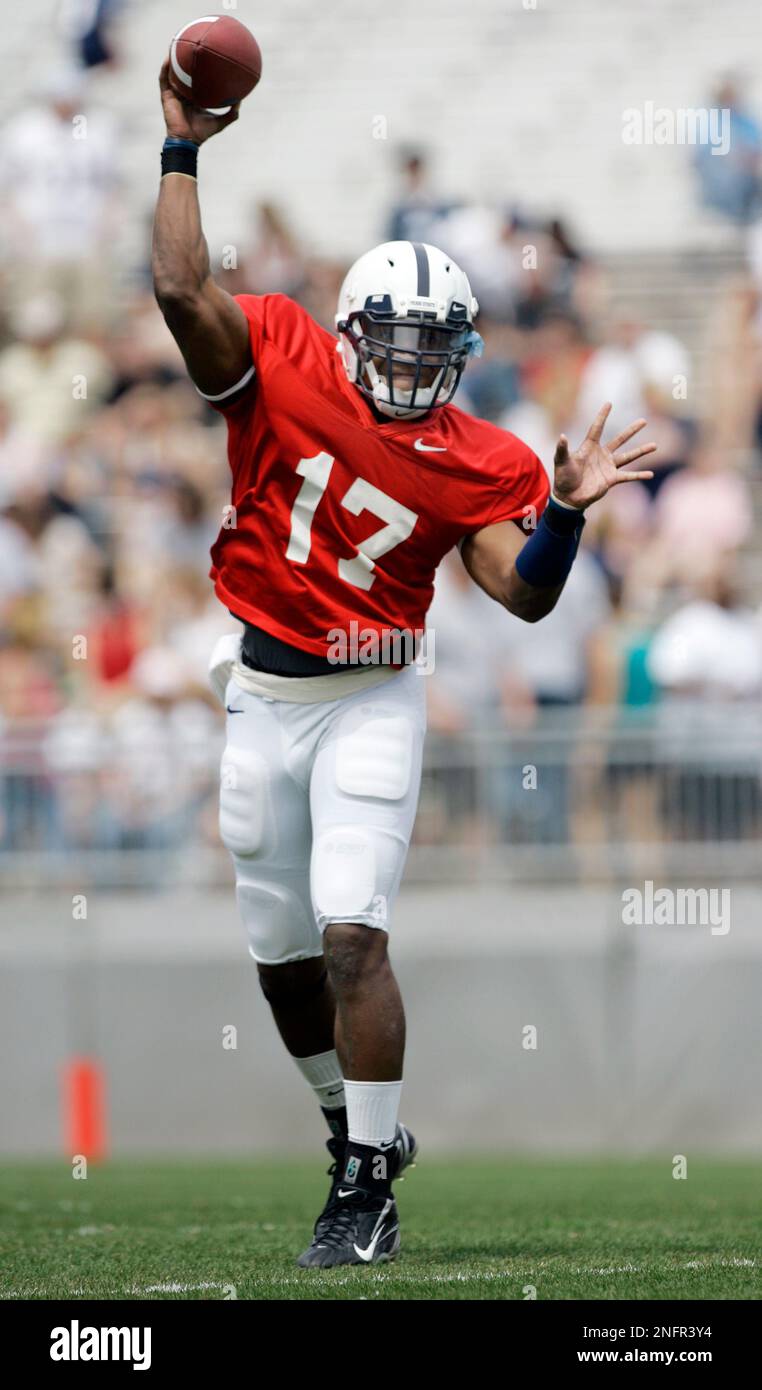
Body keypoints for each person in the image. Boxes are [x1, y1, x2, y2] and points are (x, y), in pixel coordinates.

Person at [151, 63, 657, 1269]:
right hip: (262, 693)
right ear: (351, 332)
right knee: (281, 966)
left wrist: (567, 517)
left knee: (350, 940)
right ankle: (350, 1132)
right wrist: (182, 147)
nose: (413, 361)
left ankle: (368, 1185)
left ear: (462, 350)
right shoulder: (278, 354)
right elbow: (180, 284)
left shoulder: (481, 453)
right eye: (396, 339)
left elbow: (521, 597)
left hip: (373, 693)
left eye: (436, 344)